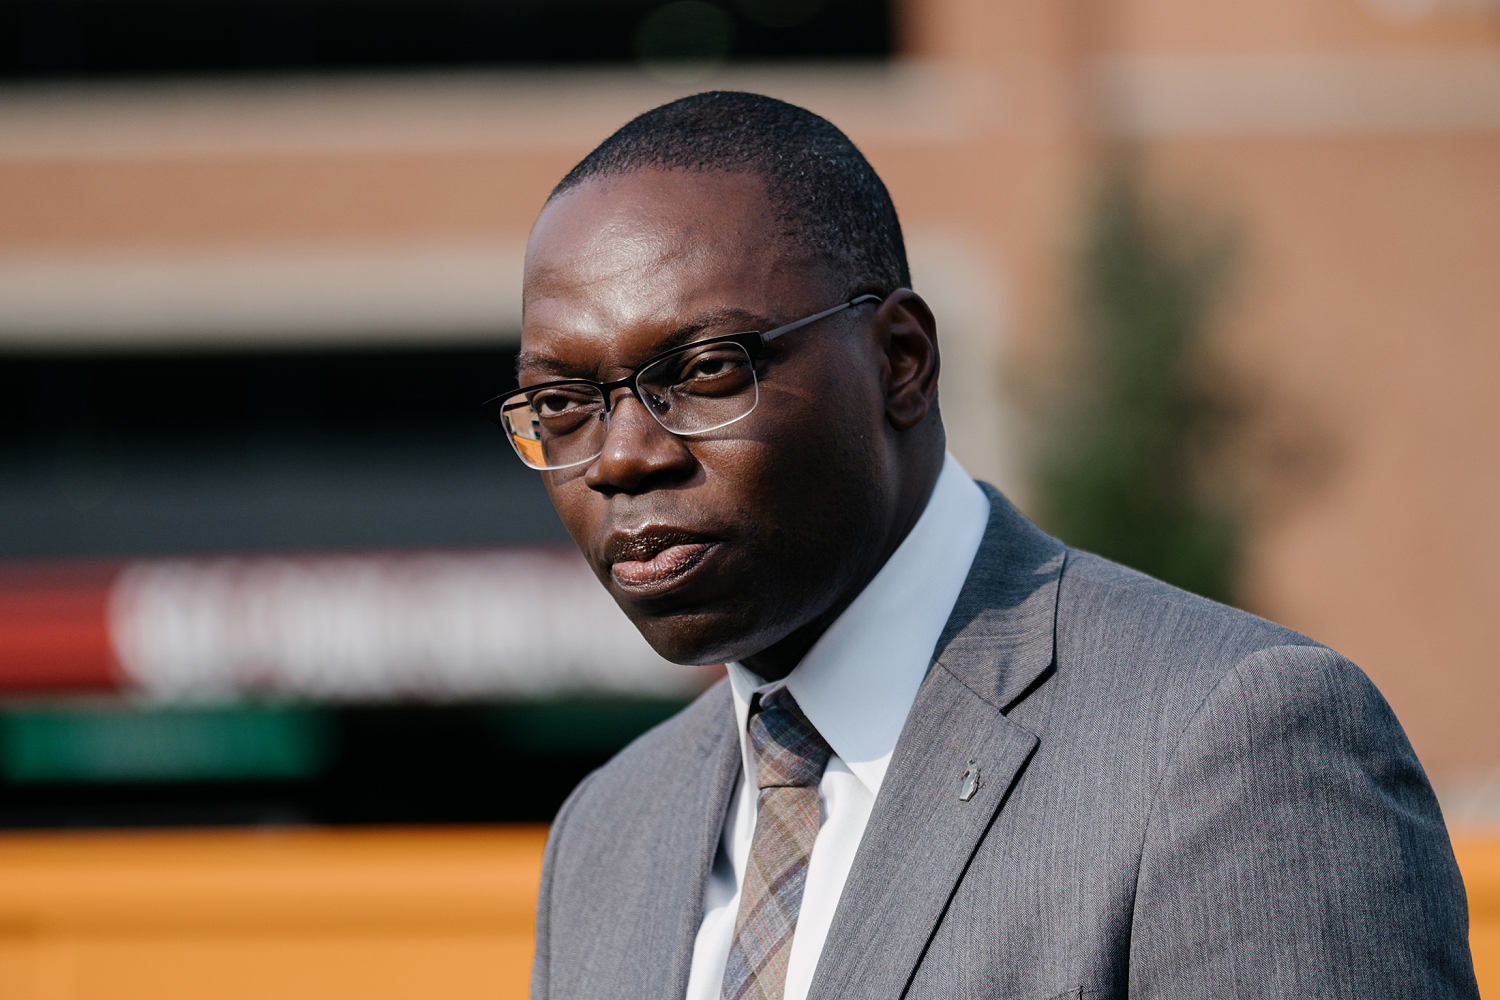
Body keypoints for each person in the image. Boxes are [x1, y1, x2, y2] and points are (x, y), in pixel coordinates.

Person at [491, 91, 1478, 999]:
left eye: (706, 370)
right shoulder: (607, 833)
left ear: (901, 362)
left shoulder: (1232, 742)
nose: (622, 457)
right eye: (563, 404)